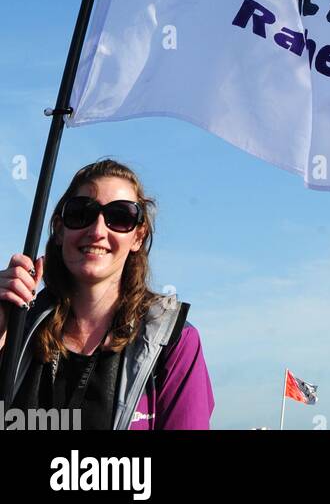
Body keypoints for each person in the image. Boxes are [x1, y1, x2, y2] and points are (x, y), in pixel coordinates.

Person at [0, 157, 214, 429]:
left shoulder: (174, 342)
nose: (97, 231)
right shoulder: (19, 327)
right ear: (58, 230)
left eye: (120, 217)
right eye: (81, 213)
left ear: (138, 237)